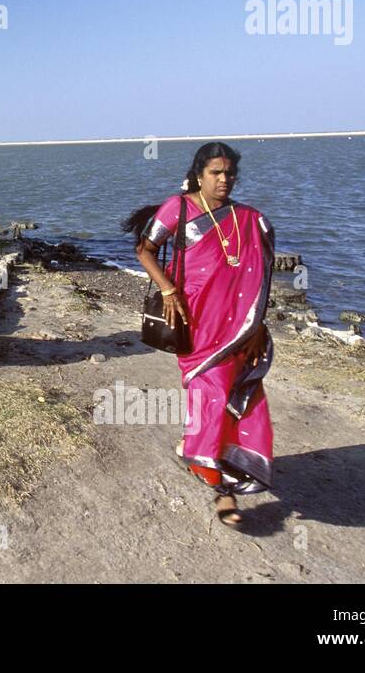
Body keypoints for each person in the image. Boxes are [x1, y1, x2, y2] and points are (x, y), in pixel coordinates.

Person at [122, 141, 276, 527]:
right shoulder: (181, 208)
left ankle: (213, 460)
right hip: (197, 322)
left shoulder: (249, 218)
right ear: (199, 174)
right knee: (211, 392)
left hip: (240, 329)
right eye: (215, 173)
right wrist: (168, 289)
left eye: (229, 173)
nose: (224, 180)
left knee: (242, 394)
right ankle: (220, 489)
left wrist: (257, 325)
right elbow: (144, 249)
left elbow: (260, 278)